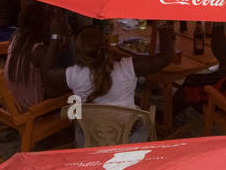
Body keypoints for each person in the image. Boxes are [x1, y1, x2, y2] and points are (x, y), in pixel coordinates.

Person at [39, 26, 170, 144]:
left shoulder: (75, 75)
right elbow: (166, 57)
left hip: (90, 139)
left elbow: (47, 71)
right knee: (143, 118)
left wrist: (55, 35)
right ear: (107, 47)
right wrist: (165, 29)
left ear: (78, 54)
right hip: (129, 139)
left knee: (79, 124)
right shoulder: (128, 67)